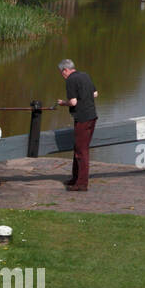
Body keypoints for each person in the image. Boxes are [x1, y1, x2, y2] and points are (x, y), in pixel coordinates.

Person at [56, 59, 99, 191]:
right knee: (79, 148)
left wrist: (63, 103)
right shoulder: (85, 75)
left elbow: (73, 102)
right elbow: (95, 94)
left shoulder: (70, 80)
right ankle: (75, 178)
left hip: (82, 118)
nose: (62, 75)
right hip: (92, 116)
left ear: (65, 70)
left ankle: (81, 184)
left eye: (61, 72)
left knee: (81, 151)